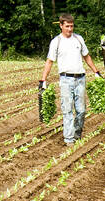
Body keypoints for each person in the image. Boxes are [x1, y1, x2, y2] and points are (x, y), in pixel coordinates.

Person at [41, 14, 101, 145]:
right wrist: (43, 80)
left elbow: (87, 56)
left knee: (81, 110)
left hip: (80, 78)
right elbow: (49, 61)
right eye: (67, 26)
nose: (70, 29)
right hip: (65, 79)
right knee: (67, 110)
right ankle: (69, 139)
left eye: (71, 26)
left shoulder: (79, 39)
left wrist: (96, 72)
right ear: (61, 26)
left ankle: (77, 134)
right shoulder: (56, 42)